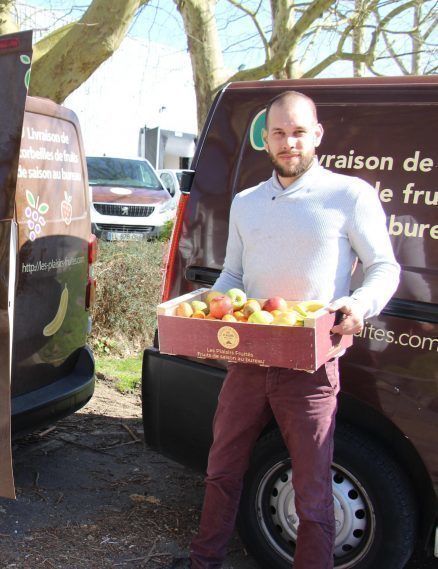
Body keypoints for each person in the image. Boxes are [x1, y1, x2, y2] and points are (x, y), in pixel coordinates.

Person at [170, 91, 400, 569]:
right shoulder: (247, 202)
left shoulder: (348, 195)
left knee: (312, 489)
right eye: (279, 133)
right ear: (266, 140)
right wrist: (202, 305)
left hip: (312, 368)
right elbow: (234, 276)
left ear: (317, 135)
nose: (289, 142)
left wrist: (360, 304)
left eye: (298, 132)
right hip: (249, 361)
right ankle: (203, 561)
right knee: (221, 471)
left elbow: (383, 267)